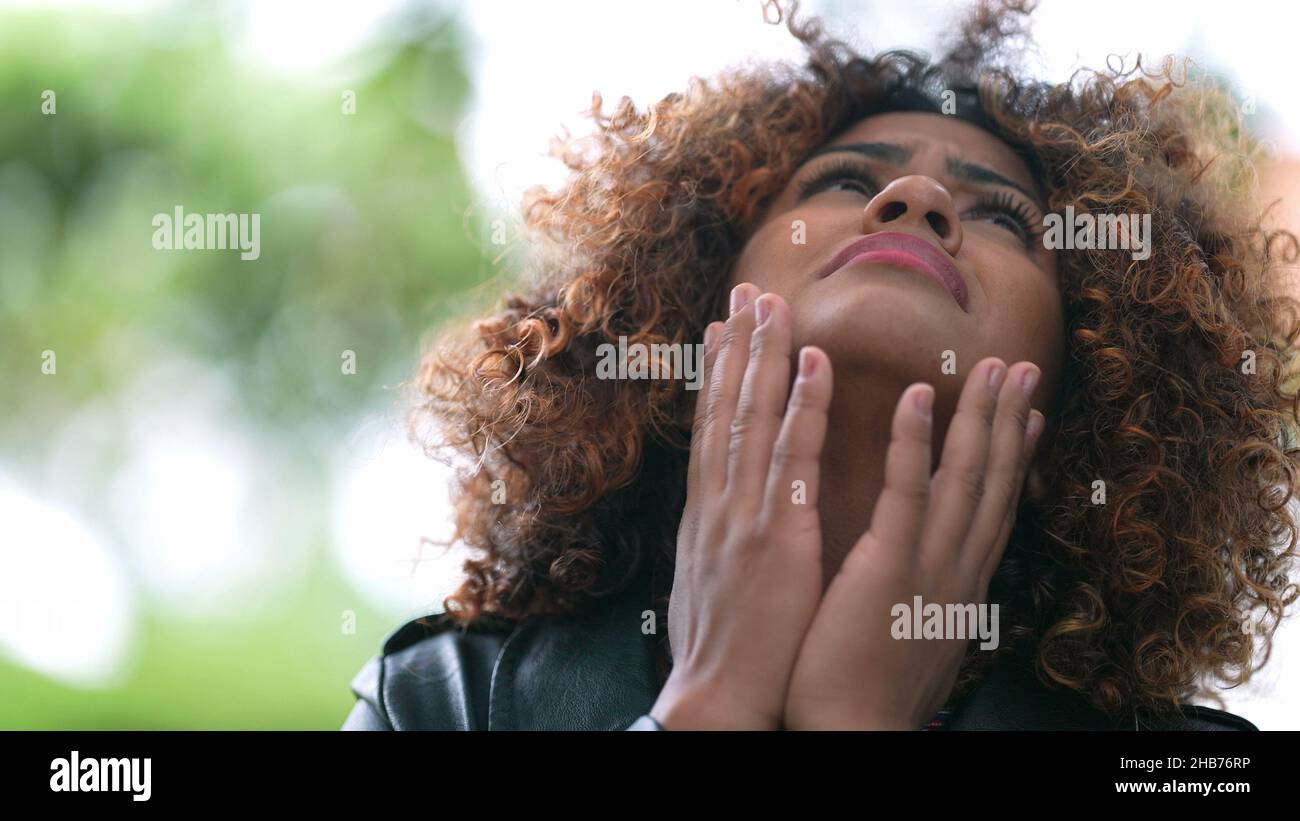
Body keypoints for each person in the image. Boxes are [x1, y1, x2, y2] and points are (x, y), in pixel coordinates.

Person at [342, 0, 1298, 730]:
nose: (916, 197)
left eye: (1004, 216)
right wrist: (709, 703)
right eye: (846, 181)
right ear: (686, 324)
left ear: (1083, 405)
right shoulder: (440, 699)